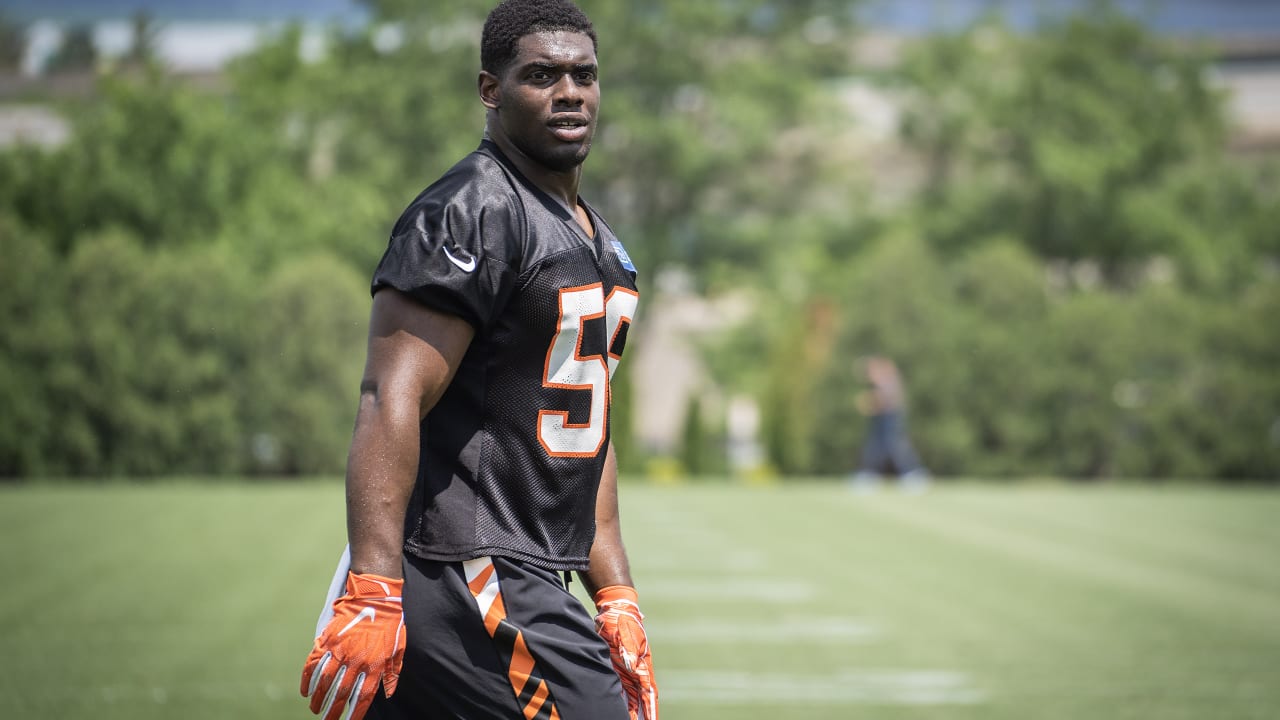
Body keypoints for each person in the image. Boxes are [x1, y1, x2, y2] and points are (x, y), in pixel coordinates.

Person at [299, 2, 658, 719]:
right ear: (491, 90)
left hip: (521, 567)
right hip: (464, 562)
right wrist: (373, 584)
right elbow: (388, 394)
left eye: (583, 75)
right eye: (542, 75)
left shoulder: (599, 240)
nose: (569, 92)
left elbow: (586, 428)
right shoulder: (472, 209)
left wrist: (615, 592)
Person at [850, 356, 930, 493]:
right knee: (878, 447)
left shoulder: (886, 379)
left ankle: (912, 475)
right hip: (884, 418)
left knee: (892, 446)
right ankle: (871, 475)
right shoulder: (885, 379)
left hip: (890, 418)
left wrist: (868, 403)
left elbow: (886, 400)